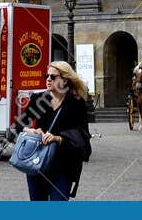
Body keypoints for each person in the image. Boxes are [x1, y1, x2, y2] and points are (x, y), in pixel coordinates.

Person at [18, 61, 92, 201]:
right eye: (47, 76)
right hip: (37, 164)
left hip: (63, 166)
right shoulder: (38, 99)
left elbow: (83, 137)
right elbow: (18, 126)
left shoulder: (76, 103)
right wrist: (29, 131)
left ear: (65, 80)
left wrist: (58, 139)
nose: (48, 79)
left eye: (53, 77)